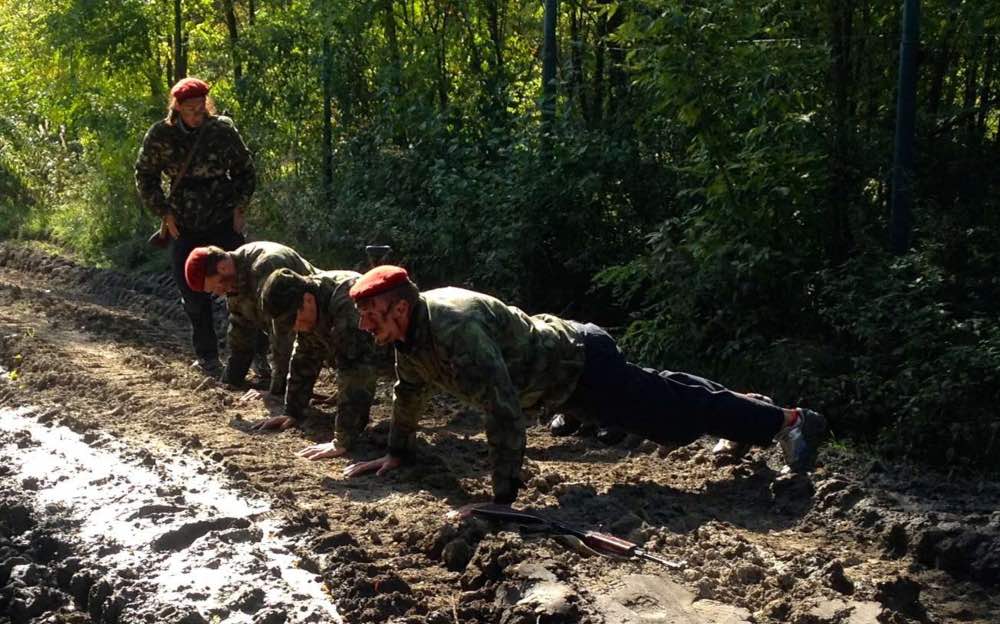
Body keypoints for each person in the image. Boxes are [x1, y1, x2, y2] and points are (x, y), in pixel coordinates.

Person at [342, 266, 827, 505]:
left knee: (673, 416)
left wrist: (501, 501)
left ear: (399, 308)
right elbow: (408, 393)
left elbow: (502, 407)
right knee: (667, 407)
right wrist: (397, 452)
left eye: (369, 316)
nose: (365, 327)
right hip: (562, 384)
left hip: (580, 363)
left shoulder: (452, 328)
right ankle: (749, 409)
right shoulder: (412, 339)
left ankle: (789, 420)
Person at [135, 76, 256, 376]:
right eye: (190, 109)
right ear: (177, 107)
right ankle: (208, 357)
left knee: (243, 288)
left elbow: (245, 171)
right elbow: (145, 175)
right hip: (184, 225)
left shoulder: (222, 130)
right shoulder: (160, 135)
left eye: (201, 108)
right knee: (193, 293)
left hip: (223, 218)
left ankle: (258, 356)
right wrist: (164, 213)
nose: (196, 114)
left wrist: (240, 208)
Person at [253, 267, 378, 458]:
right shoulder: (309, 302)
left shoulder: (348, 304)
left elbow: (356, 372)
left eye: (294, 319)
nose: (295, 327)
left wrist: (343, 440)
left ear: (307, 299)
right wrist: (293, 411)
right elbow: (305, 354)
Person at [182, 242, 319, 393]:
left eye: (216, 286)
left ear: (222, 268)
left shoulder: (268, 266)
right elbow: (241, 333)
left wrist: (276, 393)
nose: (219, 293)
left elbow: (284, 334)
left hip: (327, 321)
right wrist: (229, 383)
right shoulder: (234, 279)